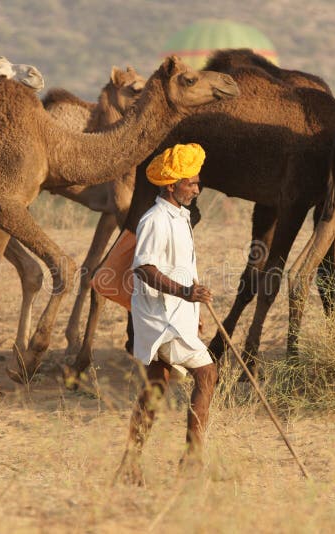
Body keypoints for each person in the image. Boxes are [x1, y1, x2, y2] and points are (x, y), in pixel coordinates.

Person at [115, 143, 217, 485]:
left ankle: (130, 464)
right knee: (207, 374)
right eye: (191, 183)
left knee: (155, 389)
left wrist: (194, 307)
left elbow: (183, 267)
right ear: (171, 185)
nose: (197, 188)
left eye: (197, 182)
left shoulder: (180, 216)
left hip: (175, 313)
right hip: (161, 316)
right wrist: (187, 294)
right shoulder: (156, 219)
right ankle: (191, 460)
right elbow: (144, 268)